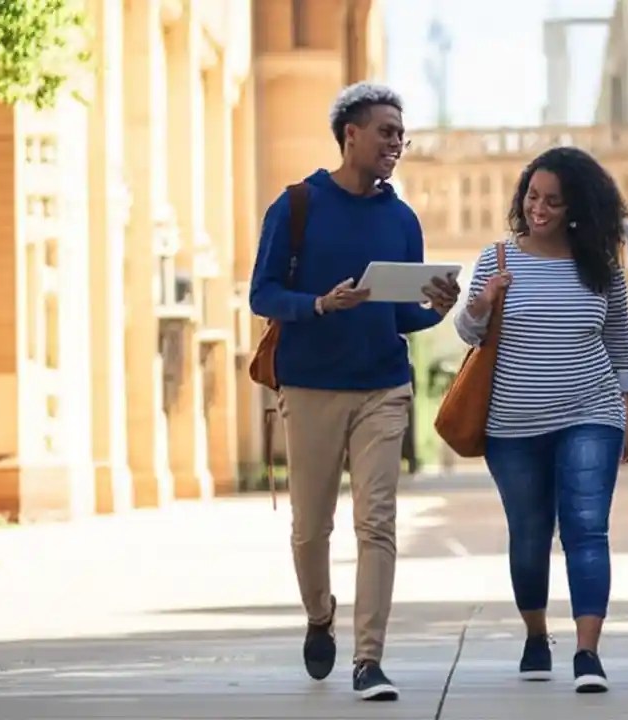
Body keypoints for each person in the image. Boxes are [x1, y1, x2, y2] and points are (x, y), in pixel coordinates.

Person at [249, 82, 459, 701]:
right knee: (310, 526)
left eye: (402, 134)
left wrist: (436, 308)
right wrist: (319, 303)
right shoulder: (295, 206)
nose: (397, 143)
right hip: (311, 385)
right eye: (387, 132)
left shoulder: (402, 218)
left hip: (383, 386)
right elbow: (262, 295)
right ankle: (320, 615)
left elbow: (403, 316)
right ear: (351, 135)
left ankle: (370, 658)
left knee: (378, 523)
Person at [454, 147, 628, 694]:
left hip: (591, 414)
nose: (539, 208)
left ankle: (588, 653)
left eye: (553, 201)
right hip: (511, 427)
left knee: (587, 529)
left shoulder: (601, 269)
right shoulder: (497, 260)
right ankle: (537, 635)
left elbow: (621, 346)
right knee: (530, 534)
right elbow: (468, 336)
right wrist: (482, 302)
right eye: (533, 197)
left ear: (575, 208)